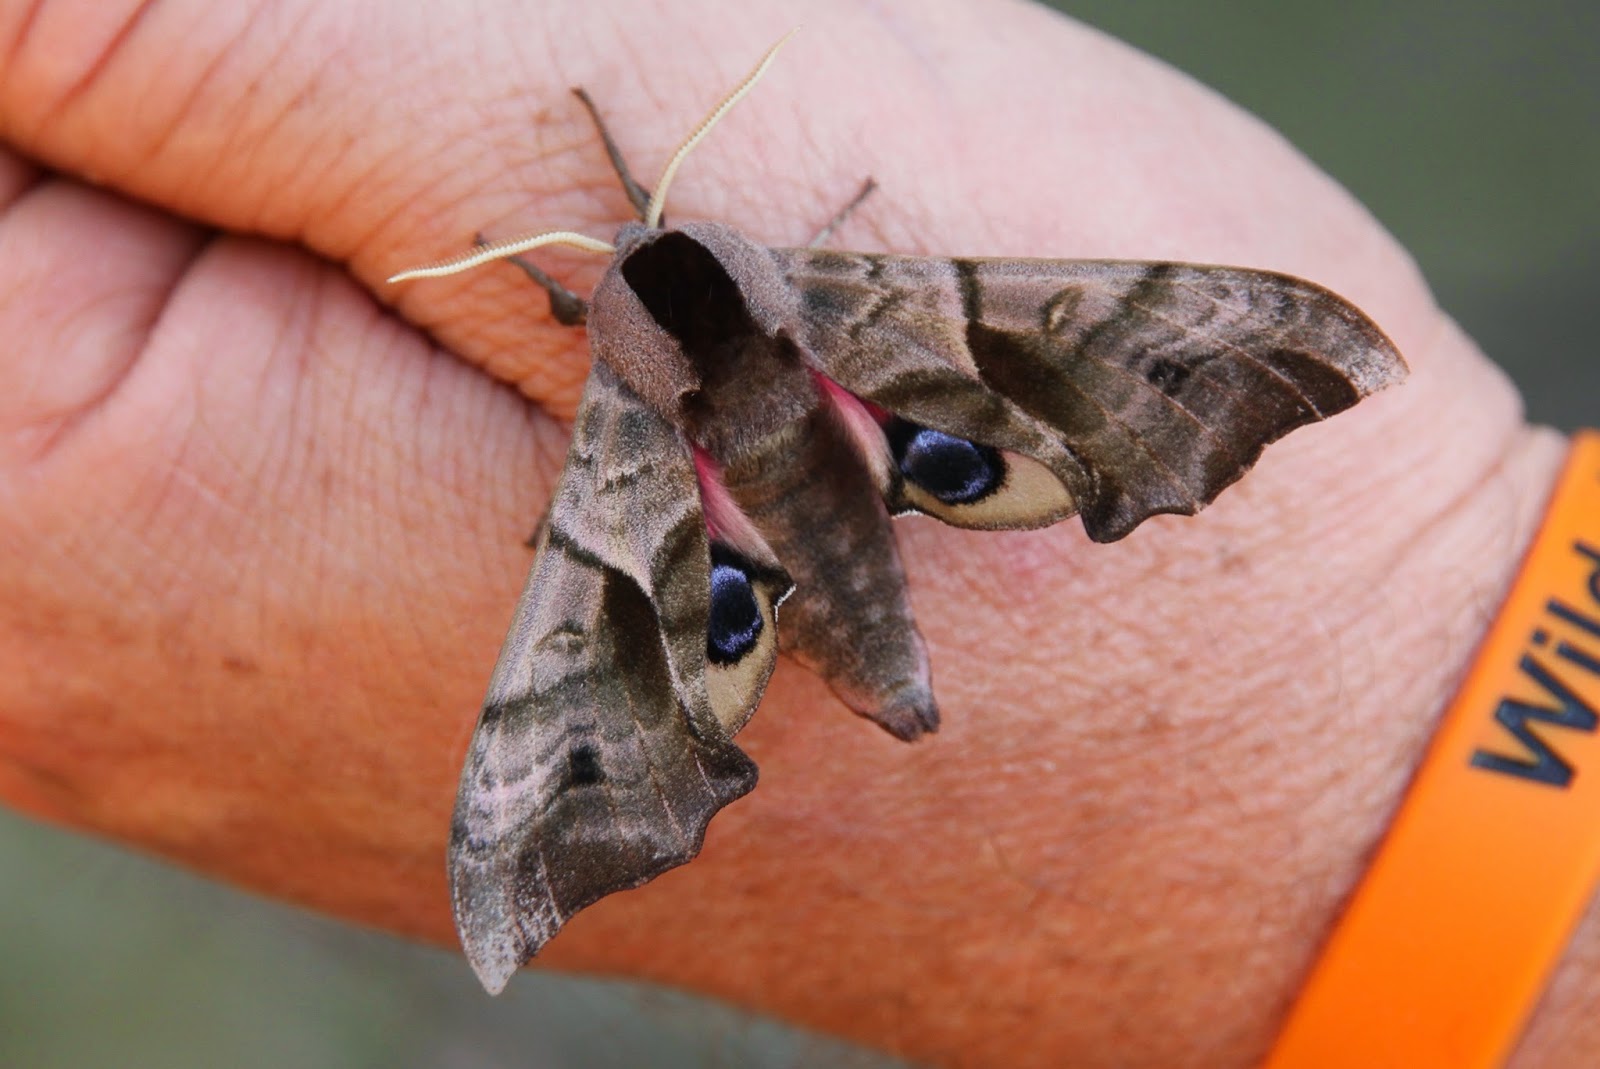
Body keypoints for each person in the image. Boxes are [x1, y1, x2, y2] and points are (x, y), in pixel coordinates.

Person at [0, 2, 1584, 1065]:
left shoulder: (625, 412)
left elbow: (583, 288)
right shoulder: (850, 303)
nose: (621, 245)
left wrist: (1424, 596)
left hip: (745, 502)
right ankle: (901, 494)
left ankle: (763, 610)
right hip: (878, 429)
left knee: (609, 647)